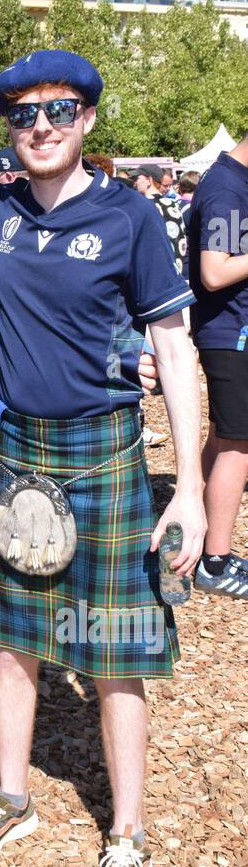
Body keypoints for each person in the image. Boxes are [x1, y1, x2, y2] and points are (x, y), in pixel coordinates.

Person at [0, 49, 205, 867]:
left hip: (105, 454)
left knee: (117, 654)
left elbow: (173, 348)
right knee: (12, 644)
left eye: (59, 111)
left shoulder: (131, 216)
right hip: (19, 449)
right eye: (24, 116)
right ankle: (12, 796)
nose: (41, 128)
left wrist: (193, 487)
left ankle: (126, 835)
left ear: (88, 119)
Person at [186, 131, 248, 596]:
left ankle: (201, 533)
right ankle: (215, 561)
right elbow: (215, 270)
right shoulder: (228, 187)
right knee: (238, 445)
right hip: (232, 334)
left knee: (228, 437)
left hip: (232, 332)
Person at [134, 164, 188, 275]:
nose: (136, 182)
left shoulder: (142, 206)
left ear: (149, 180)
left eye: (138, 178)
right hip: (176, 271)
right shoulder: (173, 204)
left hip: (155, 272)